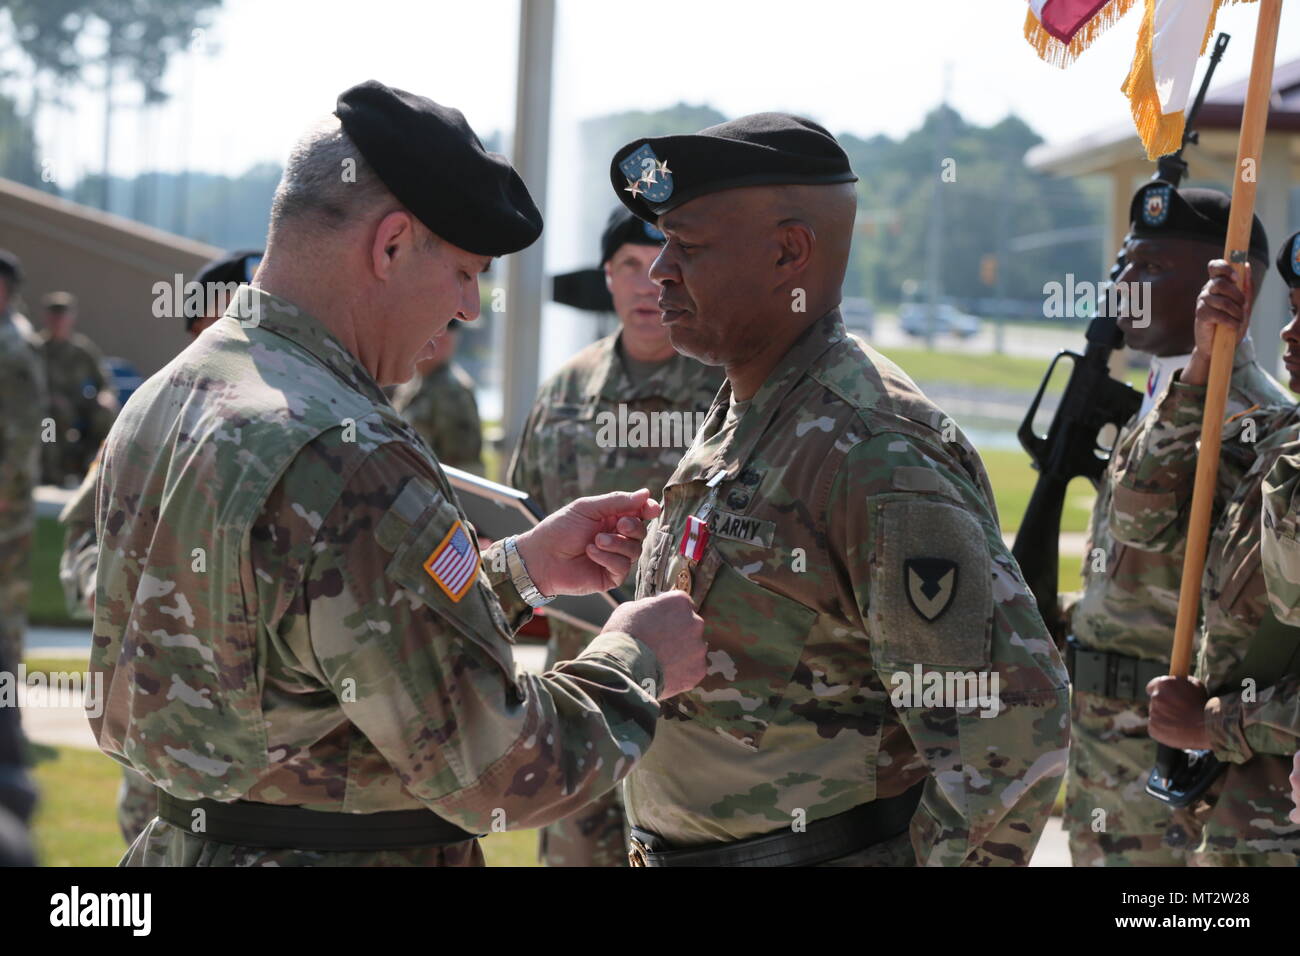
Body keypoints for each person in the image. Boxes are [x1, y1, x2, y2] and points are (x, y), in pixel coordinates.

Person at [88, 80, 705, 867]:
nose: (471, 310)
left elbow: (315, 634)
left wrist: (521, 569)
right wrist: (637, 657)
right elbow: (501, 771)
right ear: (389, 245)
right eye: (465, 272)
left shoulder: (169, 396)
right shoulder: (350, 454)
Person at [609, 113, 1070, 867]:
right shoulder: (748, 410)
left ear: (790, 252)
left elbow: (1011, 738)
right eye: (664, 242)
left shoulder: (876, 449)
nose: (660, 270)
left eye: (688, 245)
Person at [1063, 183, 1286, 866]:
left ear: (1228, 286)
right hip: (1105, 730)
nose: (1125, 283)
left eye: (1153, 268)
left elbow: (1144, 521)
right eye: (1125, 263)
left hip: (1171, 744)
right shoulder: (1160, 394)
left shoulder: (1248, 418)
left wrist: (1199, 369)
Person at [509, 207, 724, 866]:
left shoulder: (727, 393)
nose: (644, 284)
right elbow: (523, 529)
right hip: (586, 696)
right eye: (626, 265)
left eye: (656, 261)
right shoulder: (567, 394)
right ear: (606, 278)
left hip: (698, 703)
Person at [59, 248, 262, 847]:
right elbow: (81, 537)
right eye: (237, 311)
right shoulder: (156, 416)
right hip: (167, 734)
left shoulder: (295, 420)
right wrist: (127, 598)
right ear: (201, 323)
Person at [1111, 230, 1300, 866]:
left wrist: (1211, 724)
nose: (1289, 335)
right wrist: (1202, 364)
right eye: (1295, 309)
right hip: (1233, 818)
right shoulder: (1279, 439)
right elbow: (1141, 520)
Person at [0, 249, 47, 667]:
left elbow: (24, 427)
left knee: (5, 598)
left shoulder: (13, 345)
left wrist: (4, 486)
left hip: (5, 500)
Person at [38, 292, 117, 486]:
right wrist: (48, 398)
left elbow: (104, 381)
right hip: (48, 408)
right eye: (54, 316)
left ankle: (93, 466)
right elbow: (27, 383)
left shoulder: (82, 349)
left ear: (71, 318)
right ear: (47, 318)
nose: (59, 321)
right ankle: (55, 472)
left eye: (63, 316)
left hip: (78, 405)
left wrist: (105, 395)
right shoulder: (37, 348)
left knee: (104, 412)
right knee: (52, 419)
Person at [391, 319, 485, 474]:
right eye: (441, 324)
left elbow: (467, 475)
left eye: (453, 327)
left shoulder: (455, 392)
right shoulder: (410, 382)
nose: (446, 335)